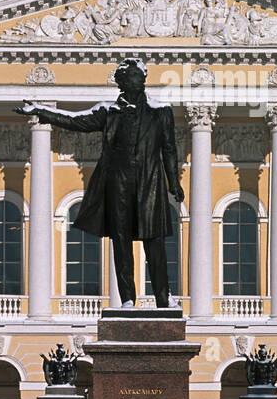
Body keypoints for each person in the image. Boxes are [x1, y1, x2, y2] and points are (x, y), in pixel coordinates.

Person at [15, 57, 184, 308]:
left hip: (150, 184)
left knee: (155, 243)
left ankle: (163, 298)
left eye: (143, 76)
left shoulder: (161, 112)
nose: (142, 80)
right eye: (137, 76)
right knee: (121, 242)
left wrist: (174, 182)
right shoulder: (109, 111)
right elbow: (76, 121)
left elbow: (169, 149)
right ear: (124, 82)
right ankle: (127, 299)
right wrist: (42, 112)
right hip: (119, 184)